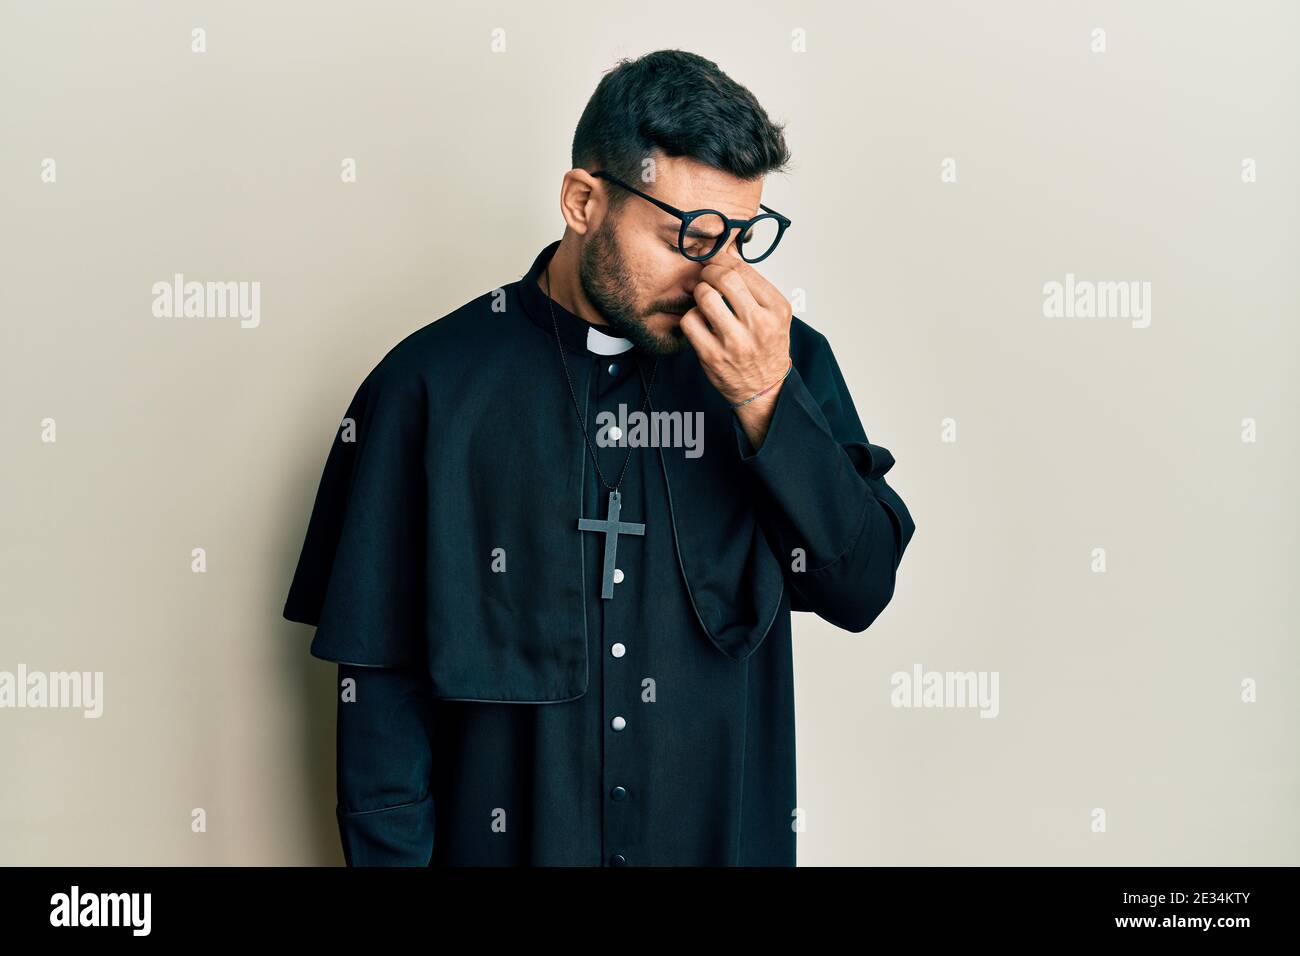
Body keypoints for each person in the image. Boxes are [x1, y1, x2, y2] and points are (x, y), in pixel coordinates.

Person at [283, 49, 915, 866]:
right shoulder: (426, 387)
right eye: (687, 235)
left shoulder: (781, 363)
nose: (715, 273)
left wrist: (765, 402)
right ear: (584, 201)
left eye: (740, 237)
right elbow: (377, 702)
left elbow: (859, 588)